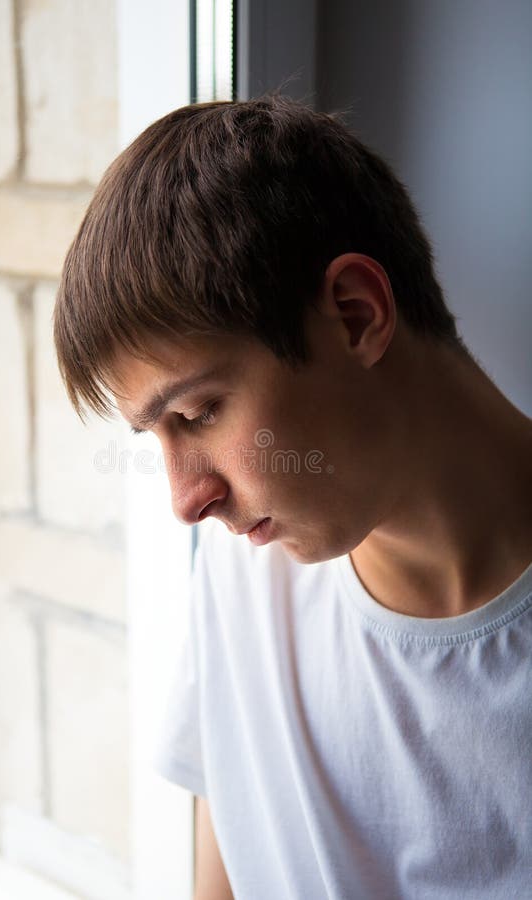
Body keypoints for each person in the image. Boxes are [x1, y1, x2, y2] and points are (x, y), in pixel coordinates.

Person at [53, 95, 532, 899]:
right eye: (157, 436)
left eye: (198, 413)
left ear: (354, 314)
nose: (186, 501)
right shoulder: (245, 573)